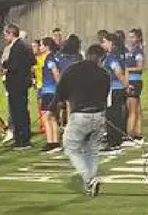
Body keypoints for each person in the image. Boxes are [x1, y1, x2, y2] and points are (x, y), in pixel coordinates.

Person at [57, 44, 110, 196]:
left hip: (80, 115)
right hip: (98, 115)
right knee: (92, 150)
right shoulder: (104, 73)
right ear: (100, 58)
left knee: (71, 147)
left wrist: (57, 105)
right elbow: (105, 95)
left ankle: (88, 179)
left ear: (87, 54)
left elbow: (61, 92)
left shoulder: (72, 70)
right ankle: (91, 181)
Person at [2, 24, 35, 148]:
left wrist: (5, 63)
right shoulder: (26, 46)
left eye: (6, 35)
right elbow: (33, 61)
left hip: (15, 83)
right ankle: (25, 136)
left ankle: (21, 139)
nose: (5, 38)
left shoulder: (16, 47)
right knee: (23, 110)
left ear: (11, 34)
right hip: (24, 83)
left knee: (17, 112)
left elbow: (13, 65)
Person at [100, 33, 128, 150]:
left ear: (110, 42)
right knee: (117, 114)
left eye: (104, 42)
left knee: (112, 115)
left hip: (113, 89)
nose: (102, 45)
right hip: (118, 88)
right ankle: (116, 139)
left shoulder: (111, 56)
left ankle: (113, 141)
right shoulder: (119, 54)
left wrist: (126, 84)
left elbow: (118, 71)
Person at [38, 38, 62, 152]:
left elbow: (55, 73)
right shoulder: (53, 57)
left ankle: (50, 142)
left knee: (46, 116)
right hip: (52, 90)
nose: (40, 47)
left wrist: (60, 87)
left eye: (41, 45)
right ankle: (55, 141)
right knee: (52, 117)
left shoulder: (49, 58)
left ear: (47, 46)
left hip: (49, 91)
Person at [123, 29, 145, 144]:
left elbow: (140, 67)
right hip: (132, 80)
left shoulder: (138, 51)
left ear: (138, 38)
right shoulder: (128, 50)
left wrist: (127, 69)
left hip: (134, 81)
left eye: (133, 37)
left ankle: (130, 135)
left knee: (131, 110)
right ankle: (138, 133)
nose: (130, 39)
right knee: (137, 109)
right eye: (129, 37)